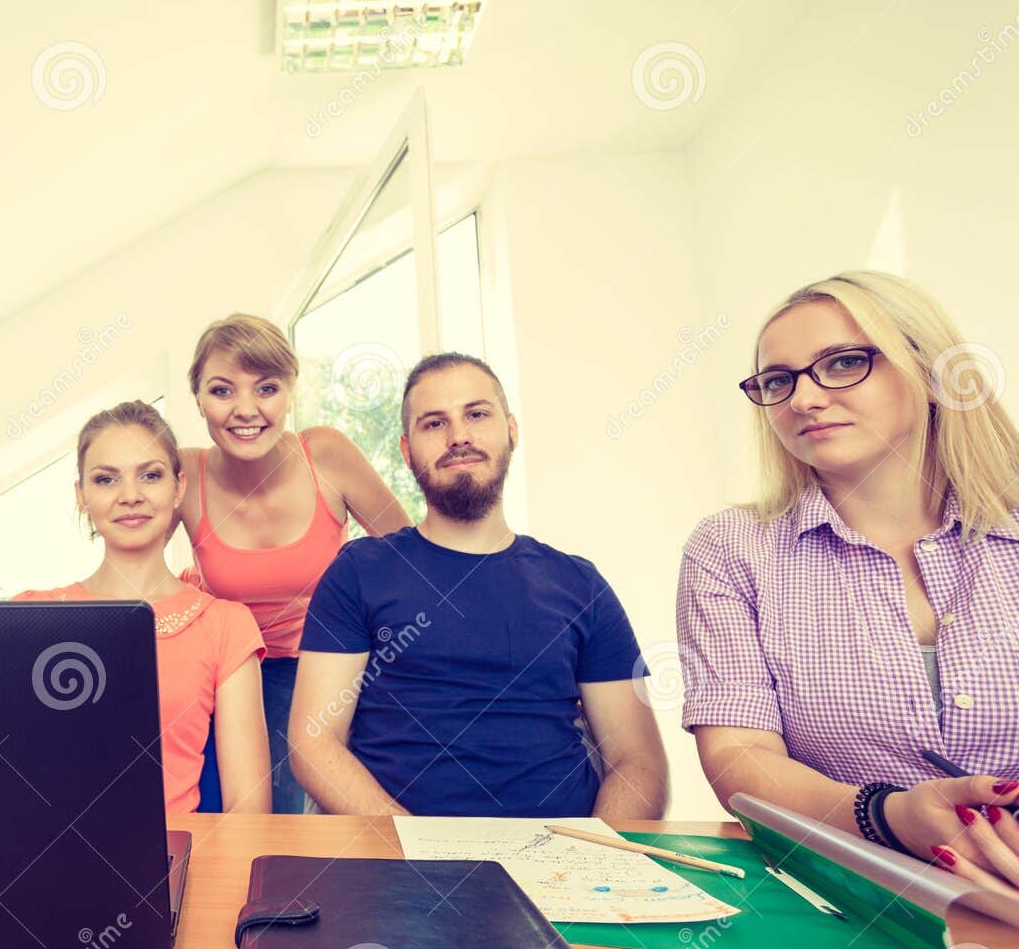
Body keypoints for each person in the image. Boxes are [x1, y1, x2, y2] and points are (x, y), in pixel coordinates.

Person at [678, 271, 1019, 893]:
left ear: (933, 373)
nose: (802, 399)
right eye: (778, 381)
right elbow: (738, 757)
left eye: (841, 364)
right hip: (848, 896)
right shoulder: (730, 547)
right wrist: (891, 816)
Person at [288, 352, 668, 818]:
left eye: (476, 414)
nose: (459, 436)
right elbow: (313, 744)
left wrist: (591, 864)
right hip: (399, 861)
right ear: (407, 452)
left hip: (562, 864)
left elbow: (639, 763)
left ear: (511, 430)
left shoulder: (580, 583)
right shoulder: (359, 571)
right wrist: (416, 851)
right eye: (434, 424)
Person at [179, 313, 411, 812]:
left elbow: (410, 561)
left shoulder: (323, 454)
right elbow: (134, 556)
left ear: (290, 392)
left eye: (266, 388)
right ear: (197, 398)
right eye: (222, 391)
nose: (246, 410)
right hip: (238, 676)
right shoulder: (184, 471)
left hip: (331, 670)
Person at [14, 401, 271, 814]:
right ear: (81, 495)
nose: (130, 496)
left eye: (150, 475)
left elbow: (250, 810)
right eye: (106, 479)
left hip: (174, 866)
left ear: (178, 488)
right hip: (43, 862)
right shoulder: (26, 616)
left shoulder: (225, 625)